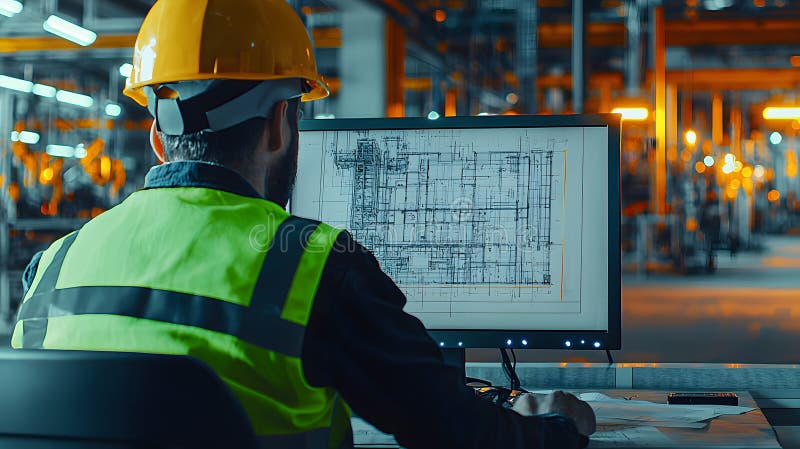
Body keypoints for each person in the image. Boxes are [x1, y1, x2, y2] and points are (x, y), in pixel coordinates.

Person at [12, 1, 596, 448]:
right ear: (278, 126)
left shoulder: (53, 266)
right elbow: (456, 431)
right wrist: (556, 430)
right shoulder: (309, 263)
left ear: (158, 137)